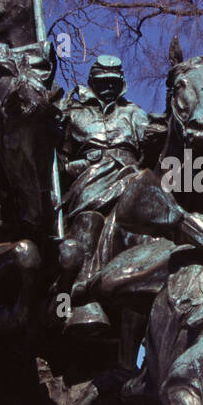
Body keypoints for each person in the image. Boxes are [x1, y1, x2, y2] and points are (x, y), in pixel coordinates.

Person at [56, 54, 164, 329]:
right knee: (88, 220)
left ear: (122, 85)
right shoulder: (73, 113)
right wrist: (75, 165)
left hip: (129, 175)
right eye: (103, 82)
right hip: (89, 179)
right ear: (92, 81)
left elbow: (151, 150)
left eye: (114, 83)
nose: (108, 87)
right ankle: (78, 296)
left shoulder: (135, 113)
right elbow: (59, 159)